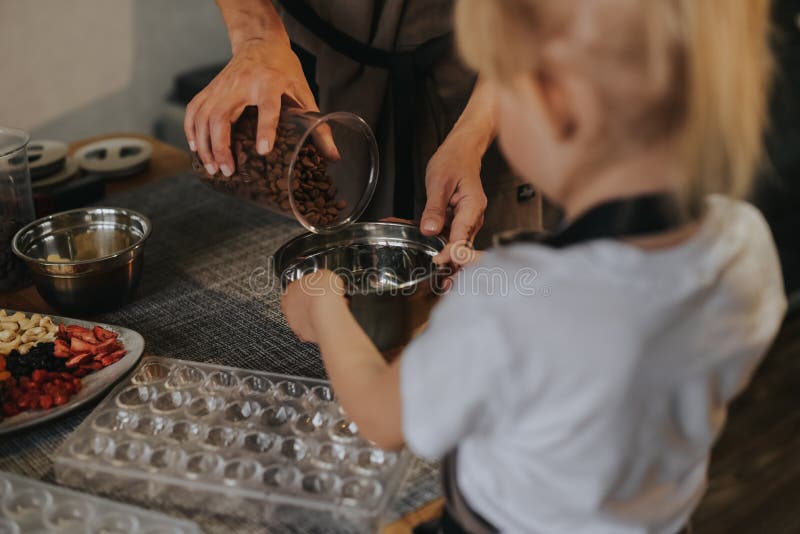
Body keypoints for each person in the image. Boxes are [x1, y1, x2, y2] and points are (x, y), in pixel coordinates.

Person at [281, 0, 787, 532]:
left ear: (554, 105)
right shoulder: (743, 244)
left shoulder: (509, 313)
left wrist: (323, 306)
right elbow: (602, 304)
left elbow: (382, 418)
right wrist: (503, 279)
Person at [184, 0, 541, 250]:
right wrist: (256, 34)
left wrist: (472, 136)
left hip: (483, 73)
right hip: (309, 75)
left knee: (486, 300)